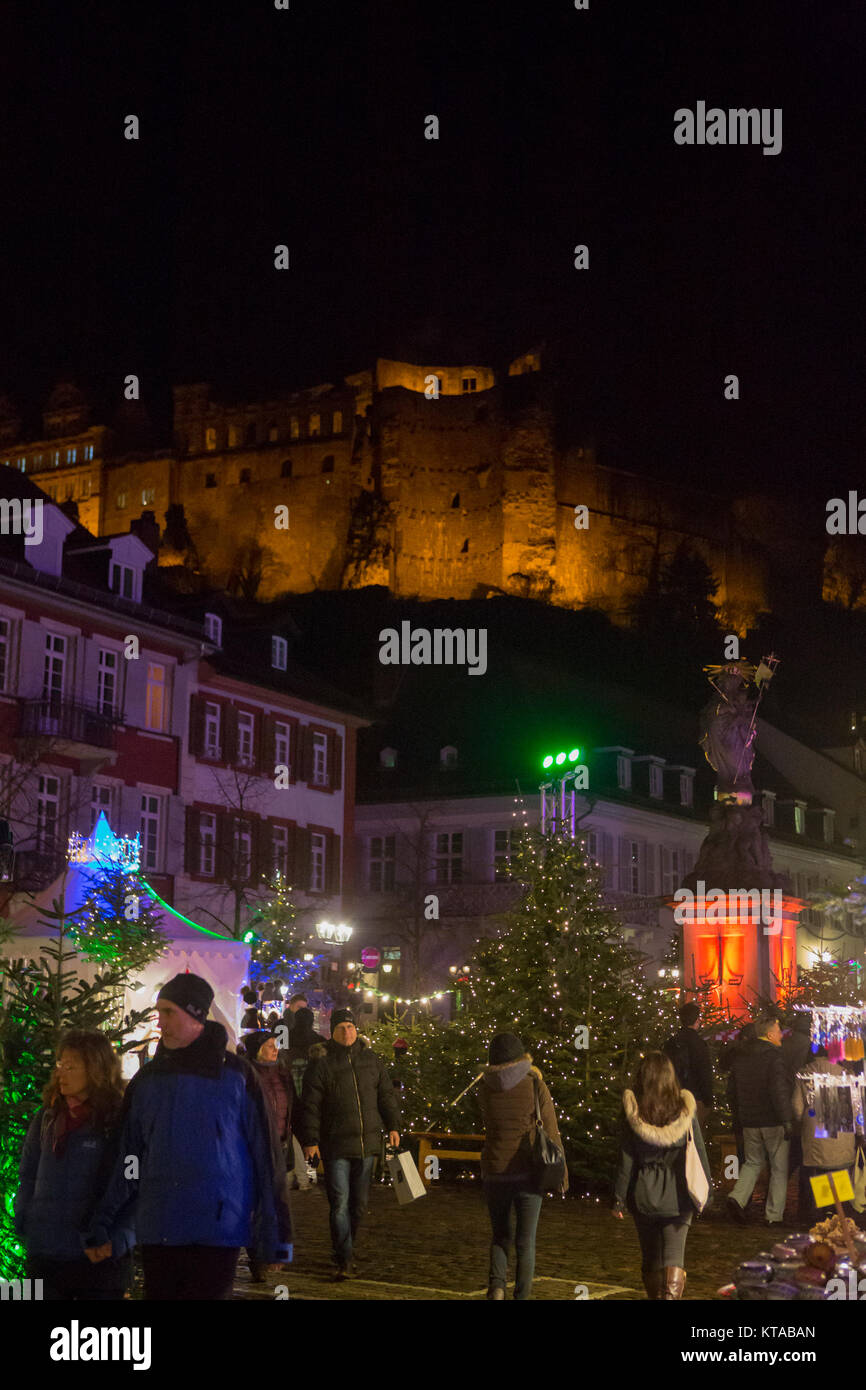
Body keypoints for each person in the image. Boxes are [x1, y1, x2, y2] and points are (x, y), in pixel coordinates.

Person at [85, 972, 292, 1300]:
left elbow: (266, 1157)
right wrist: (102, 1223)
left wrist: (275, 1234)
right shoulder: (148, 1081)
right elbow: (127, 1158)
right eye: (159, 1011)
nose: (160, 1021)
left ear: (196, 1016)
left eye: (169, 1012)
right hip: (159, 1227)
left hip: (217, 1229)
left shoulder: (237, 1077)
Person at [15, 1029, 135, 1301]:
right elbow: (29, 1173)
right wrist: (25, 1215)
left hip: (97, 1257)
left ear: (95, 1069)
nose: (61, 1073)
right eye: (59, 1064)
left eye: (70, 1066)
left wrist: (118, 1240)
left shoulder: (117, 1122)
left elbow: (134, 1186)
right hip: (46, 1253)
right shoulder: (47, 1118)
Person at [301, 1008, 400, 1280]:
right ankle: (344, 1258)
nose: (347, 1032)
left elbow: (386, 1095)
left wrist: (393, 1125)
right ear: (332, 1031)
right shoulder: (322, 1063)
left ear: (356, 1029)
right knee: (340, 1203)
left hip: (366, 1144)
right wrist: (311, 1141)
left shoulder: (370, 1060)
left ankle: (346, 1247)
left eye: (350, 1026)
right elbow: (310, 1106)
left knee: (359, 1204)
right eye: (341, 1027)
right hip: (335, 1146)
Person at [612, 1051, 713, 1300]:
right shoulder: (685, 1111)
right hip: (679, 1195)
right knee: (674, 1258)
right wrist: (707, 1192)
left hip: (644, 1193)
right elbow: (699, 1154)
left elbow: (626, 1160)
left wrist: (618, 1199)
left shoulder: (633, 1113)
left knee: (651, 1259)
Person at [478, 1032, 568, 1301]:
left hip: (494, 1169)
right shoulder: (535, 1085)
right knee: (526, 1240)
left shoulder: (484, 1088)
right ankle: (521, 1295)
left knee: (499, 1234)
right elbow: (551, 1131)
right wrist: (561, 1175)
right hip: (529, 1171)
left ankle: (496, 1288)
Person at [241, 1030, 297, 1280]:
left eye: (275, 1045)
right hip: (253, 1146)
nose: (275, 1050)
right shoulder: (246, 1075)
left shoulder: (283, 1074)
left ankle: (271, 1251)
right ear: (256, 1050)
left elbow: (293, 1105)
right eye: (269, 1046)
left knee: (275, 1200)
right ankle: (257, 1257)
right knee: (256, 1203)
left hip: (279, 1144)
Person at [726, 1015, 792, 1226]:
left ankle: (737, 1197)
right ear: (769, 1034)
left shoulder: (742, 1056)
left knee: (752, 1162)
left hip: (749, 1119)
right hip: (772, 1119)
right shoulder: (774, 1057)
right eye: (778, 1030)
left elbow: (734, 1090)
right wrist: (786, 1120)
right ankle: (773, 1215)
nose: (781, 1035)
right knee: (779, 1167)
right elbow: (778, 1091)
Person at [792, 1046, 858, 1219]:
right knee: (839, 1167)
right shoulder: (846, 1074)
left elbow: (797, 1107)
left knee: (820, 1168)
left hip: (815, 1129)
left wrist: (804, 1119)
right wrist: (859, 1131)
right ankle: (839, 1212)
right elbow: (856, 1107)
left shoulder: (804, 1075)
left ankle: (823, 1212)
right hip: (841, 1127)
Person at [284, 1006, 327, 1190]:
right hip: (312, 1097)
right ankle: (310, 1174)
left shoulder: (287, 1039)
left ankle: (296, 1173)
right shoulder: (319, 1041)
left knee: (294, 1136)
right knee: (311, 1137)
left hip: (291, 1095)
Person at [781, 1013, 814, 1219]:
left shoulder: (785, 1043)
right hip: (804, 1110)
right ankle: (804, 1206)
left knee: (789, 1159)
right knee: (805, 1160)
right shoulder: (808, 1046)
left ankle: (775, 1196)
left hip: (787, 1103)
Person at [664, 1002, 714, 1129]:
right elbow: (704, 1074)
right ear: (697, 1020)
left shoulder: (671, 1043)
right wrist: (708, 1100)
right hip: (695, 1098)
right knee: (695, 1140)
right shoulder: (699, 1044)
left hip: (673, 1098)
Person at [719, 1021, 756, 1166]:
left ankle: (741, 1171)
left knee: (741, 1142)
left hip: (738, 1104)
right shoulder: (755, 1053)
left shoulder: (735, 1052)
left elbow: (723, 1065)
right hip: (751, 1106)